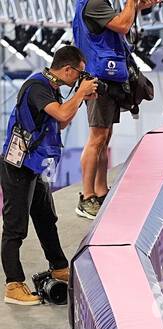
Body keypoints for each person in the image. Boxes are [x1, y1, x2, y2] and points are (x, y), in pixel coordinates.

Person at [2, 46, 97, 306]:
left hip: (35, 164)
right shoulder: (37, 87)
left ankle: (58, 267)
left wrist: (79, 98)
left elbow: (62, 121)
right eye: (79, 73)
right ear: (68, 69)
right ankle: (13, 285)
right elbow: (63, 113)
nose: (80, 78)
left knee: (46, 218)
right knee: (15, 228)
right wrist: (80, 94)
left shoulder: (51, 87)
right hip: (17, 166)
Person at [73, 0, 159, 219]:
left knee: (104, 137)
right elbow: (122, 25)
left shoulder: (98, 3)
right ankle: (86, 197)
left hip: (107, 77)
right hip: (97, 79)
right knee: (96, 138)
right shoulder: (94, 3)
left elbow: (120, 24)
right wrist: (132, 2)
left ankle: (100, 191)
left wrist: (136, 8)